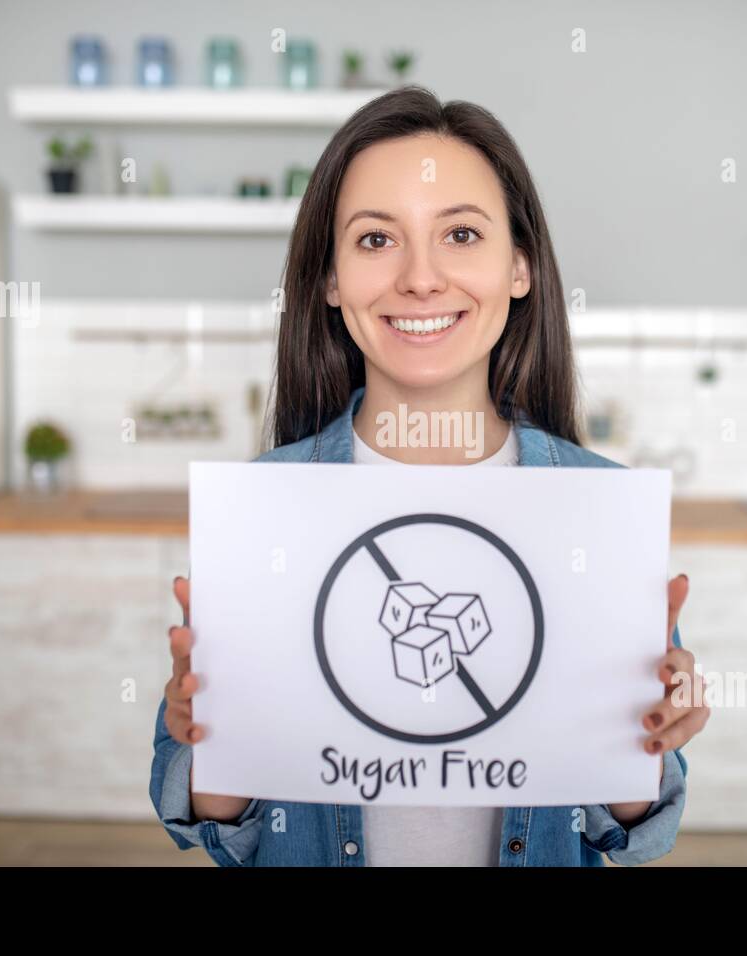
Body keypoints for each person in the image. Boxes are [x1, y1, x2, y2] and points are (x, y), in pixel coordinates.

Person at [150, 85, 709, 866]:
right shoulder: (262, 508)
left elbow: (632, 831)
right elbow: (220, 831)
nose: (420, 278)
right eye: (376, 241)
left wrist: (644, 736)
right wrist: (210, 732)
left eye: (461, 234)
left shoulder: (598, 511)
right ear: (330, 279)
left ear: (519, 267)